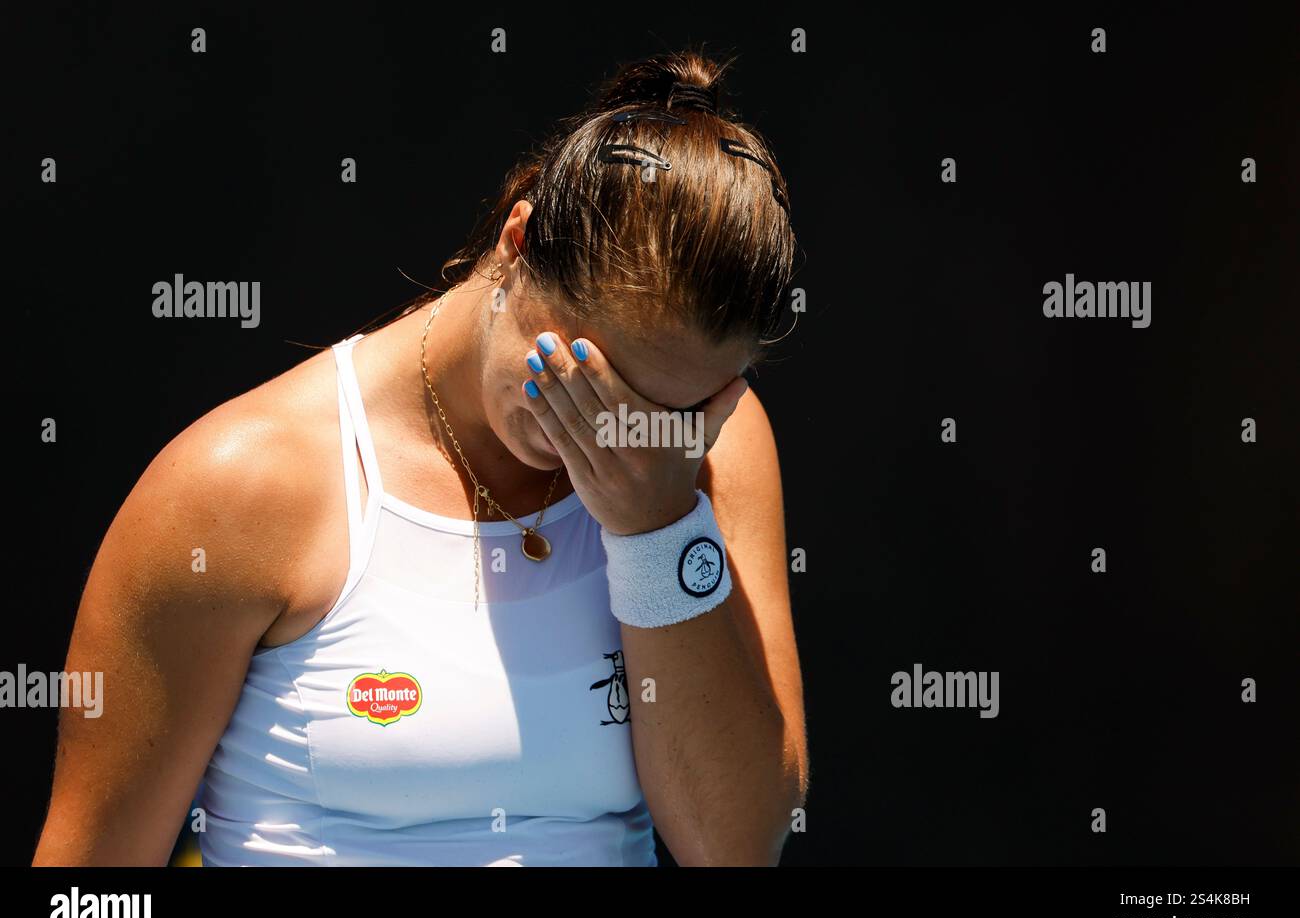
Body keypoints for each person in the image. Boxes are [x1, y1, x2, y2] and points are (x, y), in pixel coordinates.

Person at [32, 49, 808, 867]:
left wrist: (656, 528)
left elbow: (735, 847)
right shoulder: (238, 486)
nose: (619, 435)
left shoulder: (707, 452)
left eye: (667, 409)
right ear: (518, 237)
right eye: (589, 380)